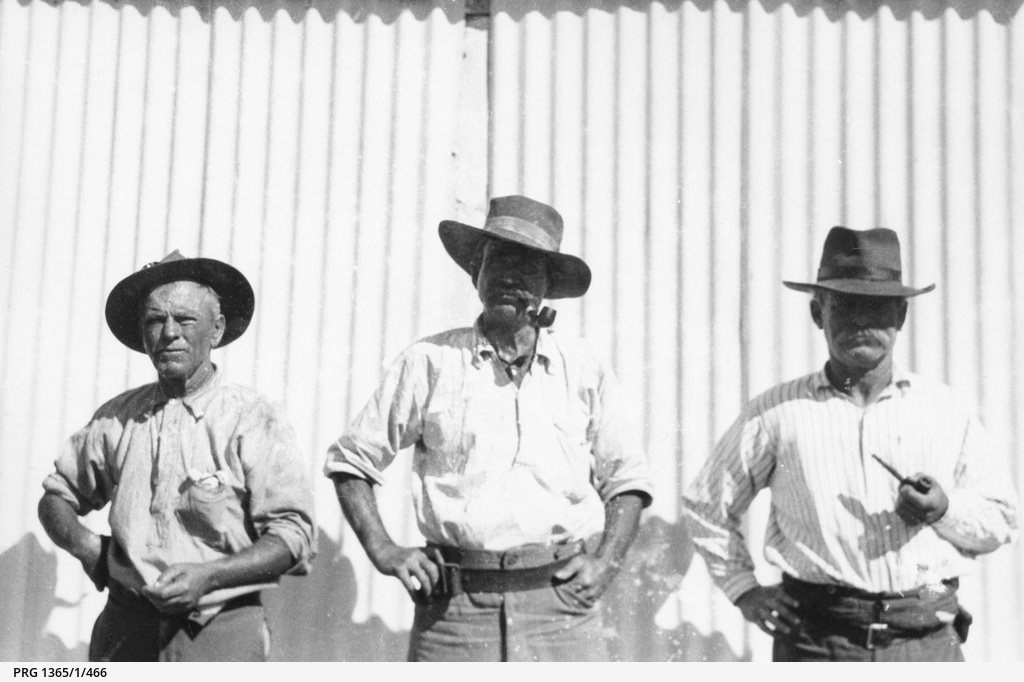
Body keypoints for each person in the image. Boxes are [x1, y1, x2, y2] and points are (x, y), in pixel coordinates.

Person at [325, 195, 653, 661]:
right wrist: (384, 549)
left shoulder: (584, 369)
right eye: (497, 260)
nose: (508, 277)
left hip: (560, 608)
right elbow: (350, 461)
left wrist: (605, 563)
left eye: (526, 266)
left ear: (547, 285)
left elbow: (629, 481)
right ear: (476, 272)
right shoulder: (429, 362)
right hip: (454, 612)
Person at [682, 226, 1017, 662]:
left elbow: (1002, 519)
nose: (860, 321)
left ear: (900, 315)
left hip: (924, 640)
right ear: (818, 313)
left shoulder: (945, 409)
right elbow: (706, 504)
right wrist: (744, 591)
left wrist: (944, 511)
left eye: (876, 308)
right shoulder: (776, 412)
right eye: (844, 306)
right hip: (817, 641)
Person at [38, 251, 316, 662]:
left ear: (216, 330)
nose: (169, 332)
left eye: (185, 320)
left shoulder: (253, 418)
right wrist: (87, 547)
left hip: (219, 630)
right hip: (125, 627)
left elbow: (293, 536)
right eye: (155, 320)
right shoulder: (118, 417)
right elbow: (57, 497)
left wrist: (210, 576)